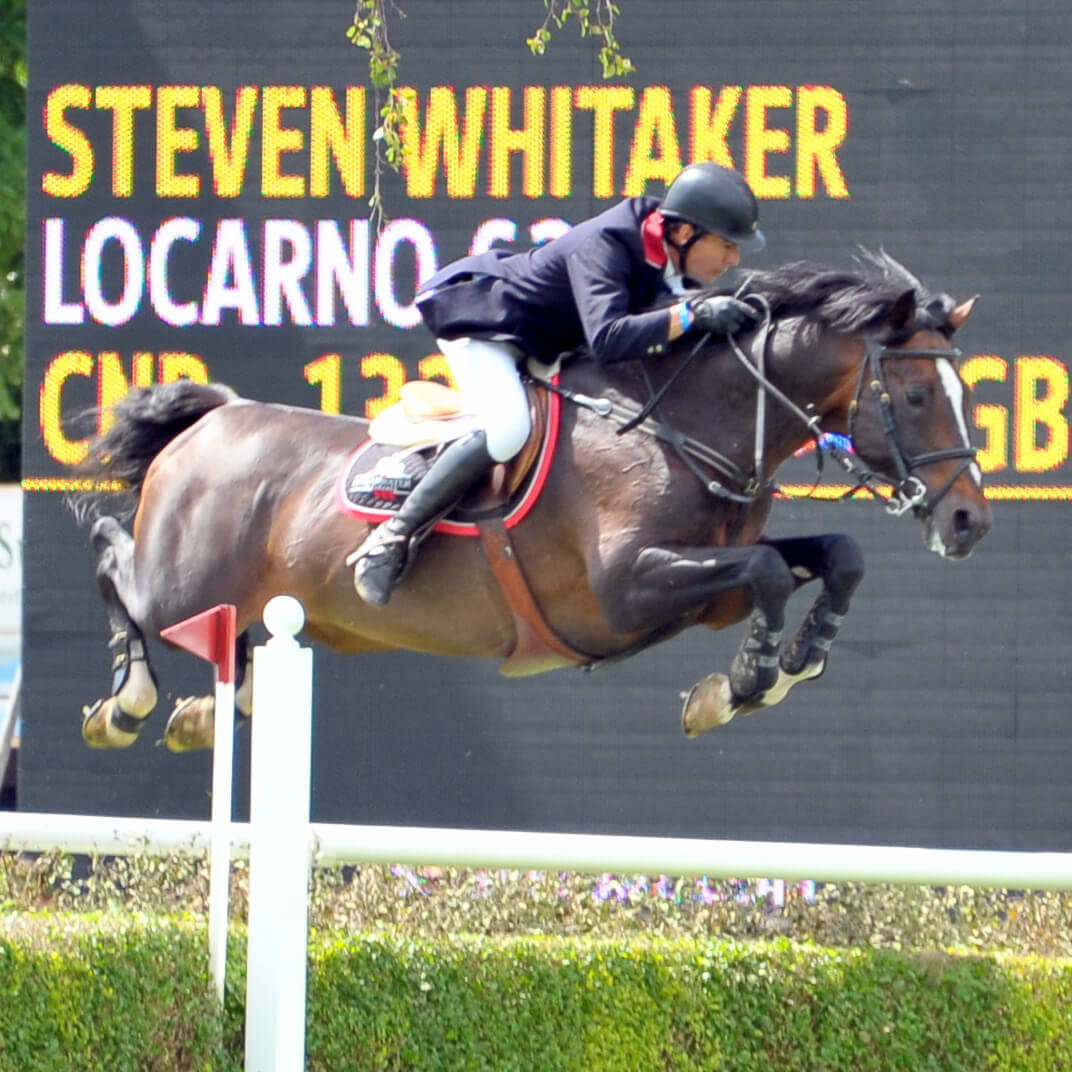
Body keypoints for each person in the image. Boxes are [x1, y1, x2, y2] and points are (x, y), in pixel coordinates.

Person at [351, 161, 766, 607]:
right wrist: (690, 315)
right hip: (488, 329)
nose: (734, 260)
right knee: (508, 430)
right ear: (684, 233)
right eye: (726, 245)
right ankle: (391, 539)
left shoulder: (664, 246)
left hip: (545, 342)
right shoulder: (607, 242)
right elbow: (608, 338)